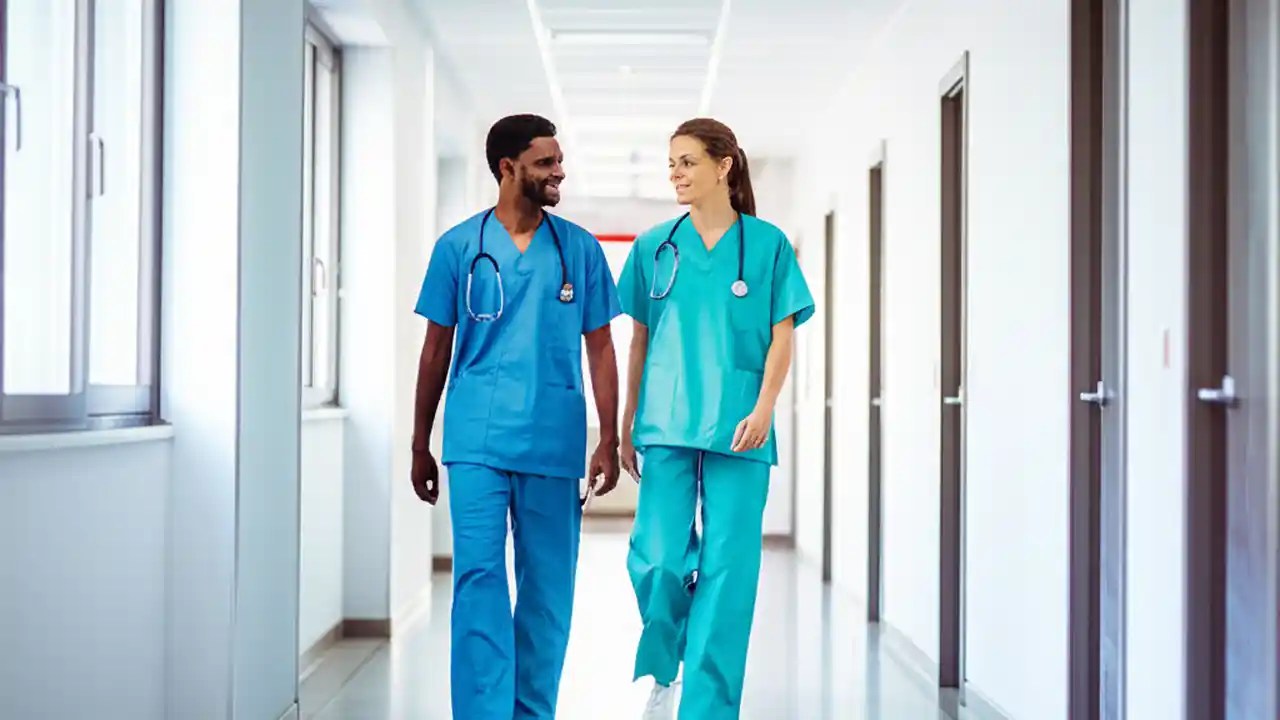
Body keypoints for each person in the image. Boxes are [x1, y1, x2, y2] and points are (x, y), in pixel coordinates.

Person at [409, 113, 622, 719]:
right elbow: (435, 348)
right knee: (478, 581)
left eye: (559, 161)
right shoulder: (458, 247)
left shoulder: (576, 248)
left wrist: (609, 437)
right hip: (475, 439)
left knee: (547, 591)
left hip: (552, 440)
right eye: (546, 163)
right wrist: (419, 442)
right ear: (508, 168)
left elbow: (601, 346)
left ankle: (532, 712)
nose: (559, 172)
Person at [616, 118, 815, 719]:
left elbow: (783, 339)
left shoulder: (768, 245)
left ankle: (706, 708)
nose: (675, 174)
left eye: (686, 162)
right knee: (657, 559)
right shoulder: (657, 246)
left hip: (740, 427)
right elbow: (641, 339)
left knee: (728, 574)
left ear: (724, 165)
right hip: (667, 423)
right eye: (671, 164)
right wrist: (627, 420)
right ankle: (668, 657)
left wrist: (764, 410)